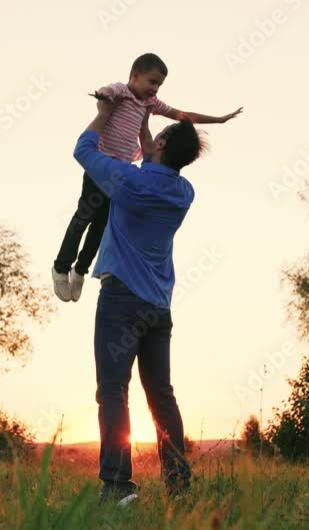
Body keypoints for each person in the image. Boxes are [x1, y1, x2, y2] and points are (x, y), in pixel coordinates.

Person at [73, 92, 208, 504]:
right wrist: (147, 124)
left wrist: (103, 116)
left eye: (157, 136)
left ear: (161, 145)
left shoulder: (127, 180)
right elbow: (154, 163)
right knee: (161, 394)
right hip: (158, 308)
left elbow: (82, 150)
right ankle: (178, 486)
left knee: (113, 391)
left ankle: (117, 486)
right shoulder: (184, 192)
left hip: (120, 301)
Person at [52, 52, 241, 302]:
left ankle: (80, 270)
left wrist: (217, 120)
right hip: (100, 165)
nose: (155, 89)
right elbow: (108, 89)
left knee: (101, 225)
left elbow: (181, 115)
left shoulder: (150, 104)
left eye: (160, 84)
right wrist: (105, 94)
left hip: (120, 171)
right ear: (135, 76)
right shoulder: (121, 91)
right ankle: (60, 268)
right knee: (83, 217)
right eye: (152, 82)